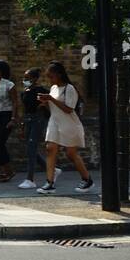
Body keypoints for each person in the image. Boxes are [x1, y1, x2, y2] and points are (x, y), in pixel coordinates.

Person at [37, 61, 94, 194]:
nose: (49, 79)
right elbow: (53, 109)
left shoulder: (70, 89)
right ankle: (50, 183)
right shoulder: (53, 88)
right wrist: (45, 103)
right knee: (50, 149)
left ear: (59, 74)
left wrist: (51, 99)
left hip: (69, 123)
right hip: (54, 122)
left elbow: (69, 109)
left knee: (71, 153)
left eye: (51, 76)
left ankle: (87, 179)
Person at [18, 68, 50, 189]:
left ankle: (30, 179)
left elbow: (50, 103)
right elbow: (24, 109)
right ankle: (50, 169)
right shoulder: (25, 92)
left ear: (35, 79)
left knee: (32, 148)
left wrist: (44, 105)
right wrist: (22, 125)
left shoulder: (41, 91)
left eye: (28, 78)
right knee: (30, 149)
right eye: (24, 78)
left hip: (38, 120)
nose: (25, 80)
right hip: (28, 120)